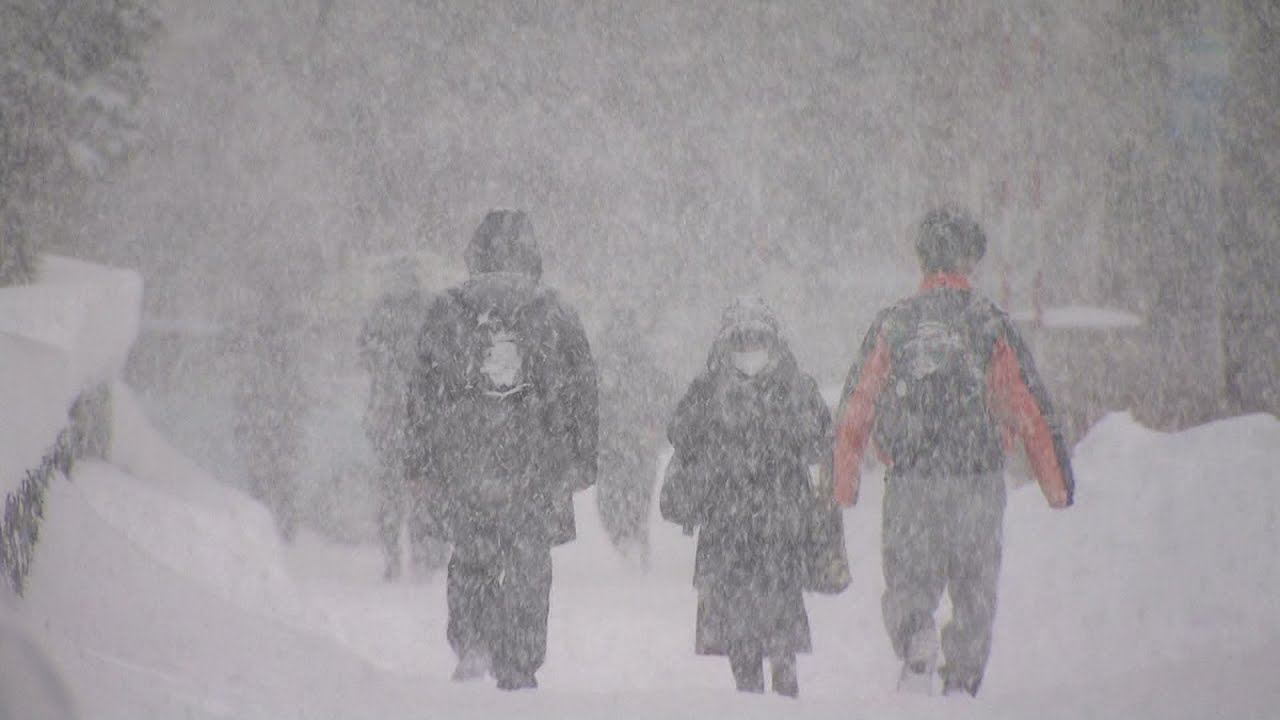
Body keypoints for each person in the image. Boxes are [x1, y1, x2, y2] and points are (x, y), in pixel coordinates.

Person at [831, 205, 1074, 697]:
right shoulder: (989, 324)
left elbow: (857, 407)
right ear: (970, 262)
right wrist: (1057, 486)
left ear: (922, 260)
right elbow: (1027, 405)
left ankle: (916, 634)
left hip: (912, 481)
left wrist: (844, 485)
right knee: (975, 587)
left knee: (908, 577)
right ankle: (962, 678)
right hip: (977, 479)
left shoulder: (895, 324)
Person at [406, 209, 598, 691]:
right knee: (529, 563)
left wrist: (421, 462)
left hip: (466, 463)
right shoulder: (556, 313)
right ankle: (520, 660)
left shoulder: (448, 311)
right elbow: (582, 391)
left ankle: (472, 642)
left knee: (471, 554)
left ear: (475, 254)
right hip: (538, 467)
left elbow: (423, 394)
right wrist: (580, 457)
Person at [665, 296, 831, 698]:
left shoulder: (710, 387)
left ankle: (751, 695)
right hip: (778, 519)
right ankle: (779, 686)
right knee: (780, 608)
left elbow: (680, 434)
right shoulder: (793, 385)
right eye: (743, 341)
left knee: (738, 616)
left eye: (755, 340)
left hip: (729, 521)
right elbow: (820, 440)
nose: (749, 351)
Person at [357, 258, 445, 581]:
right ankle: (420, 558)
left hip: (397, 418)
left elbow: (366, 354)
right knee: (421, 492)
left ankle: (397, 558)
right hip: (419, 420)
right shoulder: (430, 310)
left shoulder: (384, 313)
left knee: (396, 491)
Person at [595, 305, 673, 568]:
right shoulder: (635, 363)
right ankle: (631, 538)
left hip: (623, 444)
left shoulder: (608, 363)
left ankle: (627, 540)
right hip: (627, 444)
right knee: (632, 495)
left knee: (622, 496)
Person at [231, 301, 308, 542]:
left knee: (269, 484)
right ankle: (279, 531)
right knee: (277, 483)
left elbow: (246, 399)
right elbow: (298, 400)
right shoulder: (277, 368)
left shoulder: (260, 369)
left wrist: (247, 422)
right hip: (275, 435)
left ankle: (273, 531)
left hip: (271, 434)